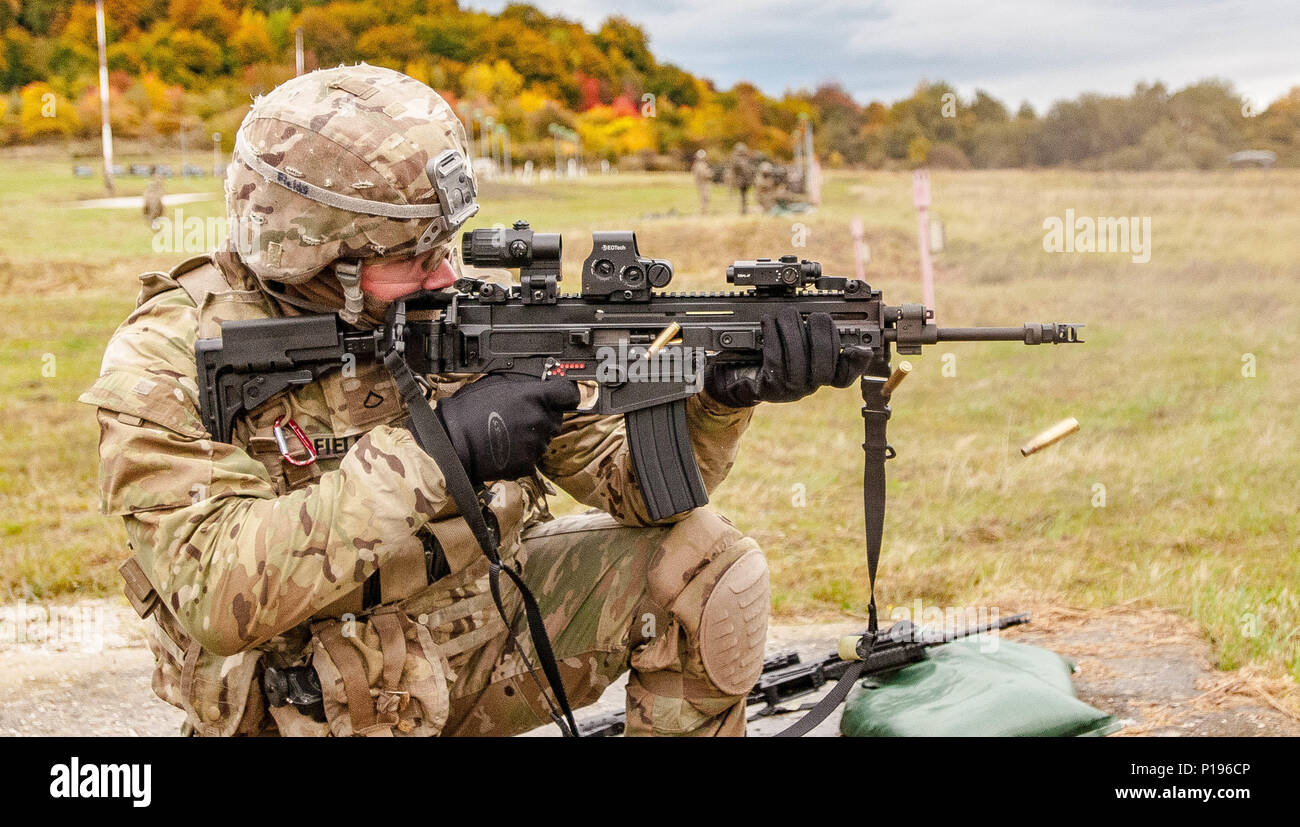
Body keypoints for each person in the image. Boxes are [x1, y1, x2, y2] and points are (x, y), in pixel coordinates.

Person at [80, 65, 869, 737]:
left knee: (705, 561)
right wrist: (438, 451)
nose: (446, 276)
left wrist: (721, 396)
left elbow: (639, 491)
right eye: (412, 256)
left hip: (480, 647)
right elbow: (217, 590)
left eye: (446, 246)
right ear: (319, 251)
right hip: (313, 704)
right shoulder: (168, 355)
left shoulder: (451, 319)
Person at [727, 142, 755, 215]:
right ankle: (743, 210)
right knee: (742, 196)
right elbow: (740, 169)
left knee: (744, 196)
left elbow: (748, 168)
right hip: (740, 180)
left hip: (745, 180)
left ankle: (744, 210)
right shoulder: (736, 158)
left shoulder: (744, 158)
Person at [690, 149, 713, 214]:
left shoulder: (697, 164)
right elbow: (704, 174)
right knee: (705, 198)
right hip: (703, 184)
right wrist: (710, 173)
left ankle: (704, 211)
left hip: (701, 184)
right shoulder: (700, 165)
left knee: (704, 198)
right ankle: (704, 212)